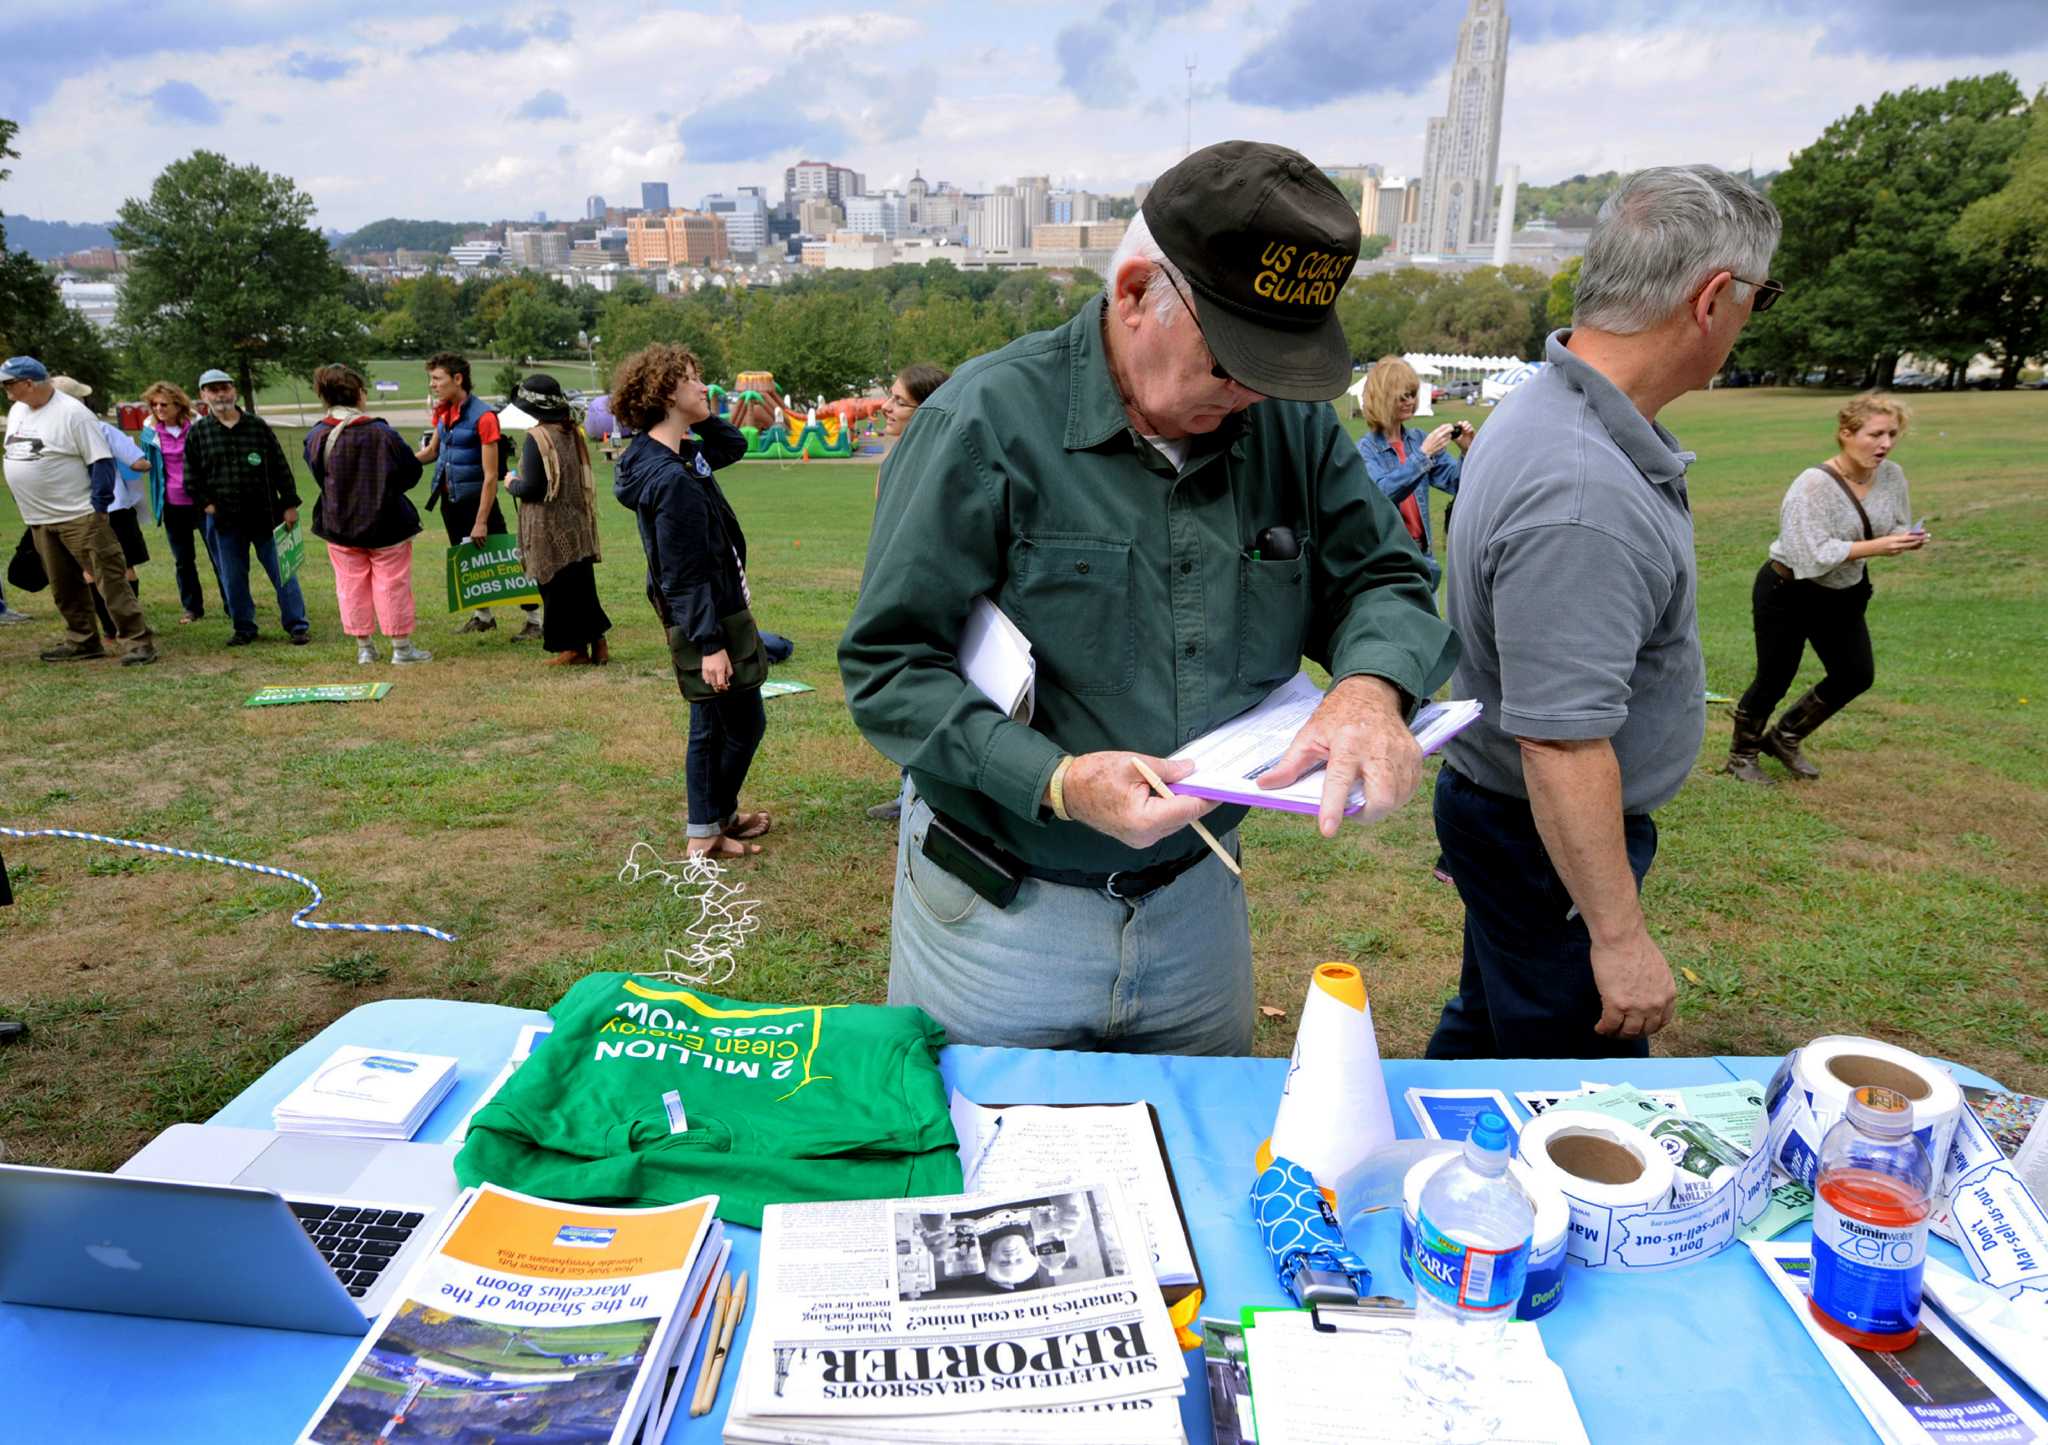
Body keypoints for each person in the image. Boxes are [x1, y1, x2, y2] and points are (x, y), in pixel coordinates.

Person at [838, 141, 1456, 1056]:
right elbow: (892, 668)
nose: (1252, 396)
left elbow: (1384, 576)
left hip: (1197, 903)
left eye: (1279, 369)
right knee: (994, 1178)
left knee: (1191, 1170)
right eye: (1232, 362)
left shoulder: (1283, 420)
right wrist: (1055, 779)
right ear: (1134, 297)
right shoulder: (980, 425)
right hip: (1001, 913)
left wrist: (1369, 689)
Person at [1428, 165, 1782, 1062]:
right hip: (1542, 838)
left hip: (1517, 826)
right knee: (1570, 1084)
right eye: (1760, 297)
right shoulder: (1581, 490)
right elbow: (1562, 743)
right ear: (1713, 299)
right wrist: (1620, 941)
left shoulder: (1551, 404)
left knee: (1489, 1026)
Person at [612, 343, 771, 859]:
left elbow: (734, 446)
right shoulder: (670, 479)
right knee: (713, 724)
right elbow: (682, 573)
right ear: (665, 393)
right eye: (692, 380)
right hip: (703, 617)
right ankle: (704, 830)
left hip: (718, 606)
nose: (705, 387)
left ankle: (719, 814)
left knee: (744, 722)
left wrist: (699, 419)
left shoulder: (677, 452)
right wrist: (708, 644)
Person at [1724, 393, 1926, 785]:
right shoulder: (1813, 485)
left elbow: (1895, 523)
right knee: (1775, 676)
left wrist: (1906, 537)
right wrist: (1876, 548)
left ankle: (1784, 737)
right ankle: (1741, 756)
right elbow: (1808, 555)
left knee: (1855, 674)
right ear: (1846, 434)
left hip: (1844, 591)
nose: (1885, 444)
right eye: (1875, 434)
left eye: (1892, 434)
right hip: (1789, 590)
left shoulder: (1891, 475)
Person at [0, 356, 156, 664]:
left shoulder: (73, 413)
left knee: (109, 579)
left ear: (29, 383)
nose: (5, 391)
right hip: (40, 519)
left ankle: (137, 641)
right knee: (63, 585)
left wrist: (98, 508)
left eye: (8, 384)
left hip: (79, 514)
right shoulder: (18, 410)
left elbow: (101, 462)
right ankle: (82, 640)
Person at [865, 361, 953, 823]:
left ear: (929, 409)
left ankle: (924, 796)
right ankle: (910, 791)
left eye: (899, 400)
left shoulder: (939, 465)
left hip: (924, 607)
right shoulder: (897, 457)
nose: (885, 406)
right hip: (894, 599)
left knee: (924, 699)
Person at [302, 364, 432, 666]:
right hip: (387, 523)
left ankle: (365, 648)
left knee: (350, 585)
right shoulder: (381, 432)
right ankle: (401, 648)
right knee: (392, 583)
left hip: (338, 522)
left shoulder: (318, 435)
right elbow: (410, 472)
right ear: (359, 393)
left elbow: (319, 474)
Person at [416, 352, 540, 640]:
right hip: (451, 499)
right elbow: (432, 452)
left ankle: (535, 620)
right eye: (431, 379)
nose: (433, 385)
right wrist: (398, 461)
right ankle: (483, 616)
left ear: (457, 379)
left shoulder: (484, 417)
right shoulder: (444, 412)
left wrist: (482, 520)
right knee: (468, 560)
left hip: (478, 501)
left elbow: (490, 475)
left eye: (437, 378)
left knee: (508, 559)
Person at [185, 368, 309, 647]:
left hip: (265, 515)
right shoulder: (199, 433)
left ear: (234, 391)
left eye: (224, 388)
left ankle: (297, 625)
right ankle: (244, 627)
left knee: (284, 574)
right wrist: (208, 505)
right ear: (203, 395)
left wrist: (289, 503)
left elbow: (279, 466)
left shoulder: (257, 426)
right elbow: (191, 477)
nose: (220, 394)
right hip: (225, 520)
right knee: (232, 577)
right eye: (213, 389)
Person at [509, 374, 611, 666]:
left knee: (555, 589)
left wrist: (510, 482)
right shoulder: (572, 432)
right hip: (576, 521)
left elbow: (534, 489)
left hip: (549, 526)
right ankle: (598, 643)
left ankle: (573, 649)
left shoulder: (537, 437)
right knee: (581, 585)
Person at [50, 377, 152, 636]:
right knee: (125, 566)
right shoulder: (100, 428)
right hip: (114, 505)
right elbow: (141, 463)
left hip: (74, 509)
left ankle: (108, 627)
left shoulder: (48, 432)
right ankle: (130, 625)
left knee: (89, 568)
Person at [1355, 356, 1466, 590]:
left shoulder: (1418, 440)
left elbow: (1458, 483)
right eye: (1401, 396)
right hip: (1388, 563)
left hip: (1423, 561)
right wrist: (1423, 456)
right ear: (1383, 399)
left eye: (1412, 394)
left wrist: (1467, 451)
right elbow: (1381, 495)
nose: (1409, 401)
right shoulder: (1365, 450)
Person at [138, 381, 224, 625]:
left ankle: (232, 603)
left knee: (218, 555)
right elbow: (145, 461)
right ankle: (192, 608)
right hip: (172, 504)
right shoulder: (151, 432)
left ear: (178, 404)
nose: (158, 409)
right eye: (154, 405)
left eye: (164, 404)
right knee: (183, 560)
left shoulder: (197, 426)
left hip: (202, 503)